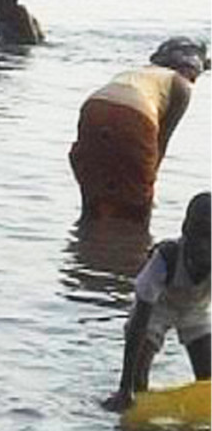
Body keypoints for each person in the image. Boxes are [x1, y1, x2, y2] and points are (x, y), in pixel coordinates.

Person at [70, 38, 209, 224]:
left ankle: (85, 245)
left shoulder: (136, 72)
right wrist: (148, 188)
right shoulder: (180, 86)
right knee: (137, 212)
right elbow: (161, 142)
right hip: (135, 114)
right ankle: (132, 248)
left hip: (94, 107)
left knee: (94, 198)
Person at [103, 192, 210, 412]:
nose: (206, 247)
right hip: (157, 310)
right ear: (185, 231)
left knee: (208, 380)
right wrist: (125, 388)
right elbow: (139, 323)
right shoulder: (165, 259)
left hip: (195, 311)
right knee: (138, 380)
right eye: (201, 236)